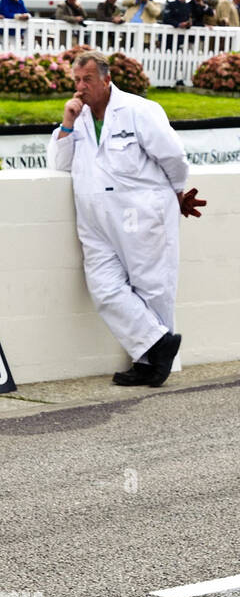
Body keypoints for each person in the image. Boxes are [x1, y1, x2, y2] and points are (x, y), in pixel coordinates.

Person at [46, 50, 207, 386]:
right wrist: (67, 122)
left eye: (87, 79)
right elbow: (59, 163)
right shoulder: (79, 117)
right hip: (94, 221)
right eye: (76, 80)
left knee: (152, 287)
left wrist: (177, 192)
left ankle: (150, 364)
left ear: (106, 79)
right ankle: (159, 344)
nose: (80, 87)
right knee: (104, 288)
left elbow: (173, 157)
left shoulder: (139, 110)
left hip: (142, 212)